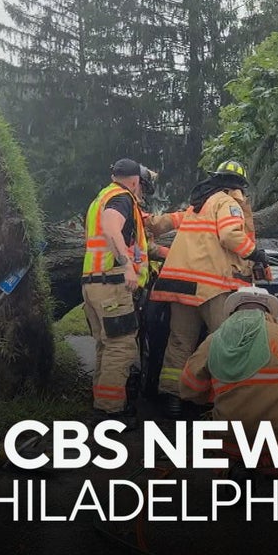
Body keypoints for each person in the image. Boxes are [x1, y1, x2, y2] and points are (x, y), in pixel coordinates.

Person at [149, 160, 269, 418]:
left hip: (180, 284)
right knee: (221, 342)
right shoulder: (228, 203)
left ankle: (172, 397)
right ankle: (222, 399)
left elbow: (167, 223)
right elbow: (229, 236)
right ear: (238, 186)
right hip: (210, 286)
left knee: (180, 341)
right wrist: (255, 253)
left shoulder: (198, 205)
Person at [179, 286, 278, 483]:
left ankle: (230, 470)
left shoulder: (213, 340)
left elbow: (189, 389)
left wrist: (219, 390)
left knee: (211, 411)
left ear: (234, 311)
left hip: (230, 442)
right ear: (268, 312)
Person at [81, 158, 157, 426]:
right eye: (142, 188)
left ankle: (102, 404)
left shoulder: (101, 198)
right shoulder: (122, 199)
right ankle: (111, 412)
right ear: (135, 181)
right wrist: (127, 267)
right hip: (112, 283)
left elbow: (125, 240)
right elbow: (112, 228)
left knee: (106, 344)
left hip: (93, 282)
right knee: (121, 347)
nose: (142, 193)